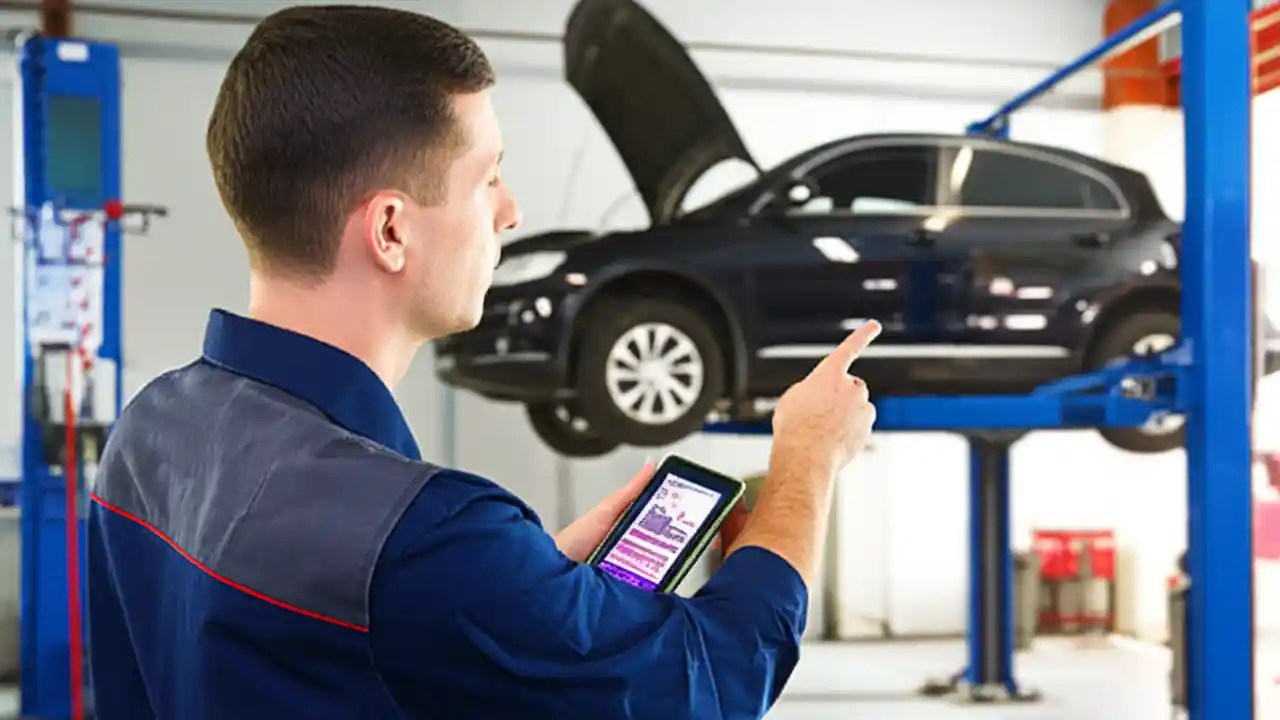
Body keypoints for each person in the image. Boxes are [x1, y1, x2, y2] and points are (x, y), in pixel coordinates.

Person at [85, 5, 880, 719]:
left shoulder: (151, 430)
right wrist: (808, 459)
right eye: (489, 176)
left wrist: (536, 582)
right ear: (391, 229)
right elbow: (709, 681)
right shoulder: (428, 538)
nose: (512, 211)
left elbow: (357, 637)